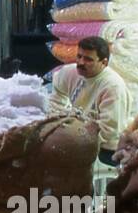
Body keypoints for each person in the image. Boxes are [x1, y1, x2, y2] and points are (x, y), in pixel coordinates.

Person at [48, 36, 132, 167]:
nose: (81, 62)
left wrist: (74, 139)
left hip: (107, 148)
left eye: (88, 59)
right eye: (79, 56)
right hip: (79, 135)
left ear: (104, 63)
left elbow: (109, 130)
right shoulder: (69, 73)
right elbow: (55, 101)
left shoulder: (113, 87)